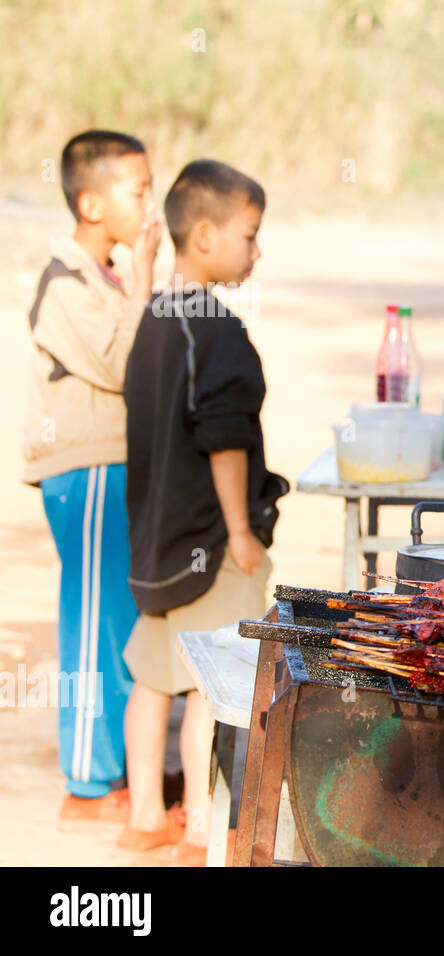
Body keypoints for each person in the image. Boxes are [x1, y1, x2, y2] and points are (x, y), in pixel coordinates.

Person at [119, 159, 288, 864]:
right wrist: (243, 532)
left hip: (156, 540)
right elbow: (223, 440)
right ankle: (198, 829)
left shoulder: (157, 318)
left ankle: (147, 818)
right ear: (208, 235)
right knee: (207, 685)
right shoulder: (214, 329)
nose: (257, 250)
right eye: (250, 236)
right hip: (209, 542)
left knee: (153, 681)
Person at [21, 130, 163, 822]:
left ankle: (115, 768)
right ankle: (87, 778)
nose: (149, 204)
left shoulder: (105, 278)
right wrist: (142, 289)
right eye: (138, 192)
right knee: (90, 623)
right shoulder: (64, 284)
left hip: (119, 471)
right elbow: (120, 366)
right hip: (87, 472)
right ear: (91, 203)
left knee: (122, 620)